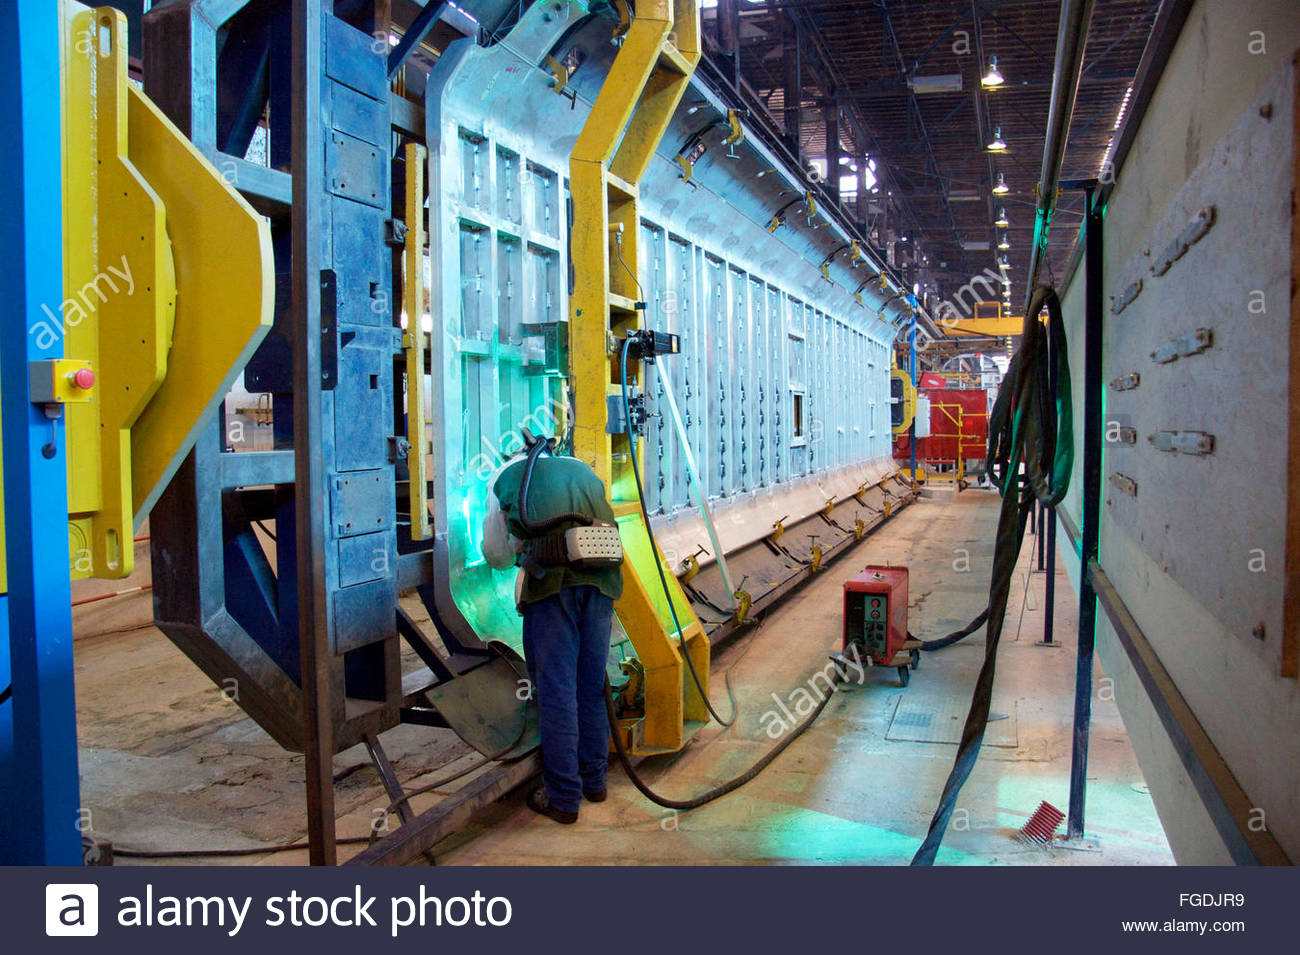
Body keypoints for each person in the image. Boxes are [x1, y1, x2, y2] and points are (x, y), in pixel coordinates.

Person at [481, 435, 622, 824]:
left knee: (557, 690)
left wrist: (517, 550)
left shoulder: (505, 476)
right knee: (591, 685)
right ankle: (595, 782)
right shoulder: (580, 467)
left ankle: (563, 798)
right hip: (602, 581)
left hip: (553, 588)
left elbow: (495, 554)